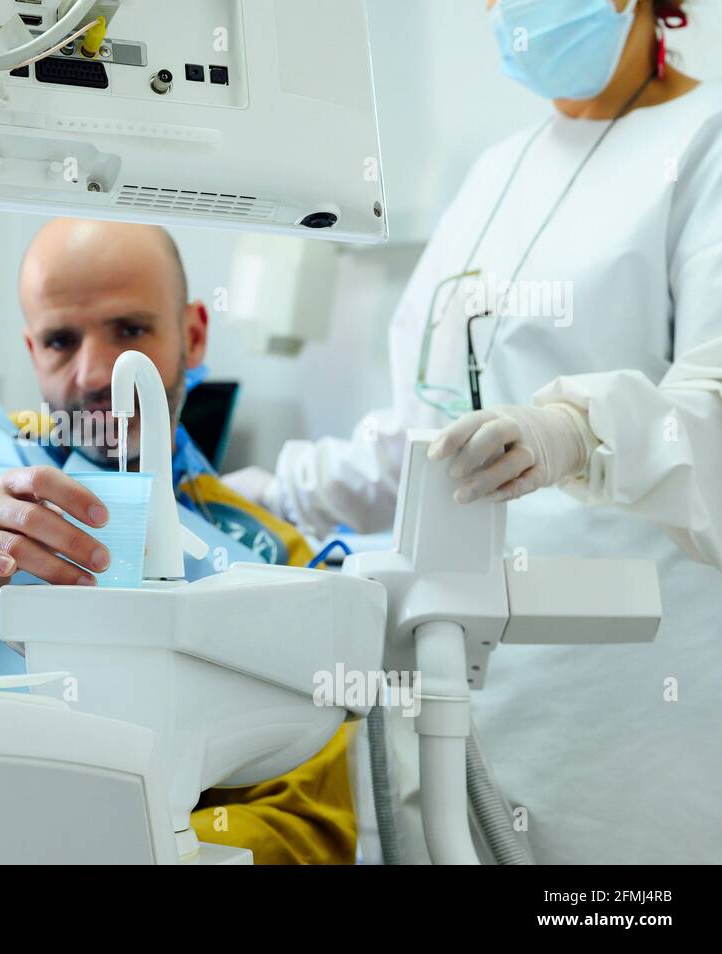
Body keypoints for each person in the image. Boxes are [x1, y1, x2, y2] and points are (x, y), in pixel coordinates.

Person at [227, 0, 722, 863]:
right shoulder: (497, 173)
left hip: (632, 700)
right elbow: (430, 433)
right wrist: (275, 493)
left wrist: (575, 429)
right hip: (463, 676)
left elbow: (713, 409)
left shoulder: (707, 144)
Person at [0, 218, 355, 864]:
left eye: (130, 330)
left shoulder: (277, 561)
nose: (97, 373)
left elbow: (307, 828)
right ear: (31, 347)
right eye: (61, 340)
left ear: (194, 333)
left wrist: (128, 840)